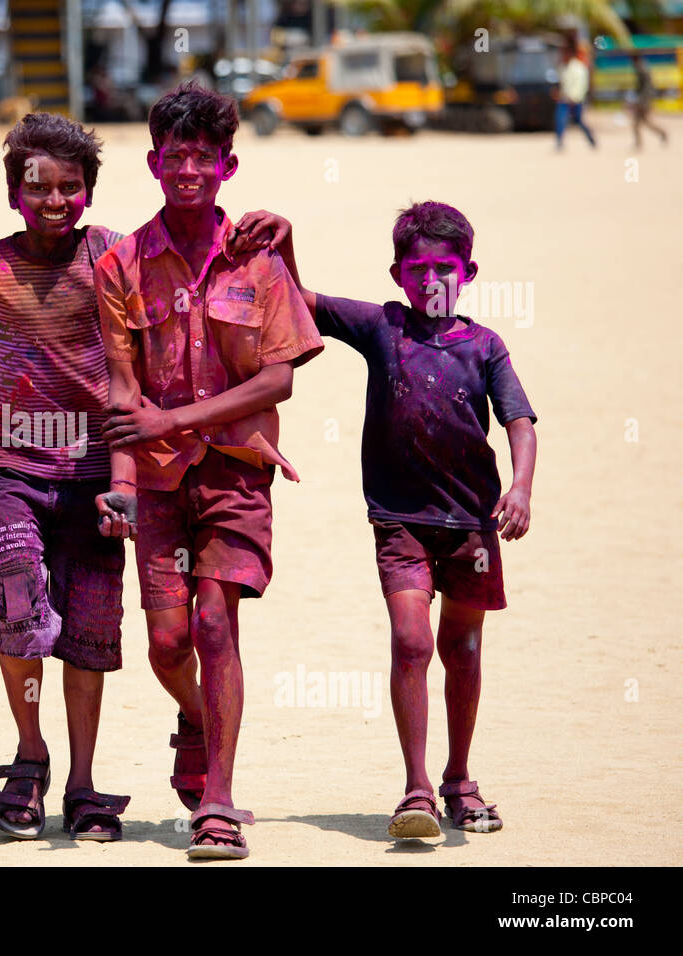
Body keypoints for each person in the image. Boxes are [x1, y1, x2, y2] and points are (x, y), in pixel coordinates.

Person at [240, 200, 538, 839]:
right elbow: (300, 297)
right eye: (419, 269)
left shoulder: (486, 346)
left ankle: (460, 778)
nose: (432, 281)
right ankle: (418, 787)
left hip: (473, 526)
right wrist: (287, 238)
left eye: (446, 268)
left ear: (469, 271)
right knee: (411, 641)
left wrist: (520, 488)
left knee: (462, 646)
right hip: (399, 520)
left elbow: (519, 420)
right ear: (399, 273)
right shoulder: (384, 327)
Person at [93, 83, 323, 860]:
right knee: (165, 642)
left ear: (226, 165)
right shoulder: (122, 263)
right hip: (156, 479)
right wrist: (124, 477)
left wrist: (176, 420)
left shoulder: (257, 256)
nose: (187, 168)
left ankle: (217, 801)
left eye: (203, 156)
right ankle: (195, 718)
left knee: (216, 621)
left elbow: (279, 377)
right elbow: (123, 386)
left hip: (236, 470)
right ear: (154, 163)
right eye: (174, 156)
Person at [0, 113, 134, 841]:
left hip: (95, 474)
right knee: (18, 606)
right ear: (14, 192)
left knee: (88, 631)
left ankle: (83, 783)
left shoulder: (112, 258)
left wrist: (125, 479)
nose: (54, 201)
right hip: (13, 468)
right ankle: (30, 755)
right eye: (39, 188)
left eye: (70, 188)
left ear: (88, 191)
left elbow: (130, 369)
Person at [555, 42, 596, 150]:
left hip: (575, 100)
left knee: (579, 121)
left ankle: (591, 139)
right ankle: (559, 142)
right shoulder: (563, 67)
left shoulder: (579, 67)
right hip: (564, 99)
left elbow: (582, 85)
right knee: (560, 120)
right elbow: (562, 83)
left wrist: (574, 97)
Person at [629, 53, 668, 150]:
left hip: (643, 101)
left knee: (640, 123)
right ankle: (660, 134)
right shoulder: (643, 67)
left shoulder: (641, 69)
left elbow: (645, 88)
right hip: (644, 100)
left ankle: (639, 144)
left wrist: (641, 101)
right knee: (643, 122)